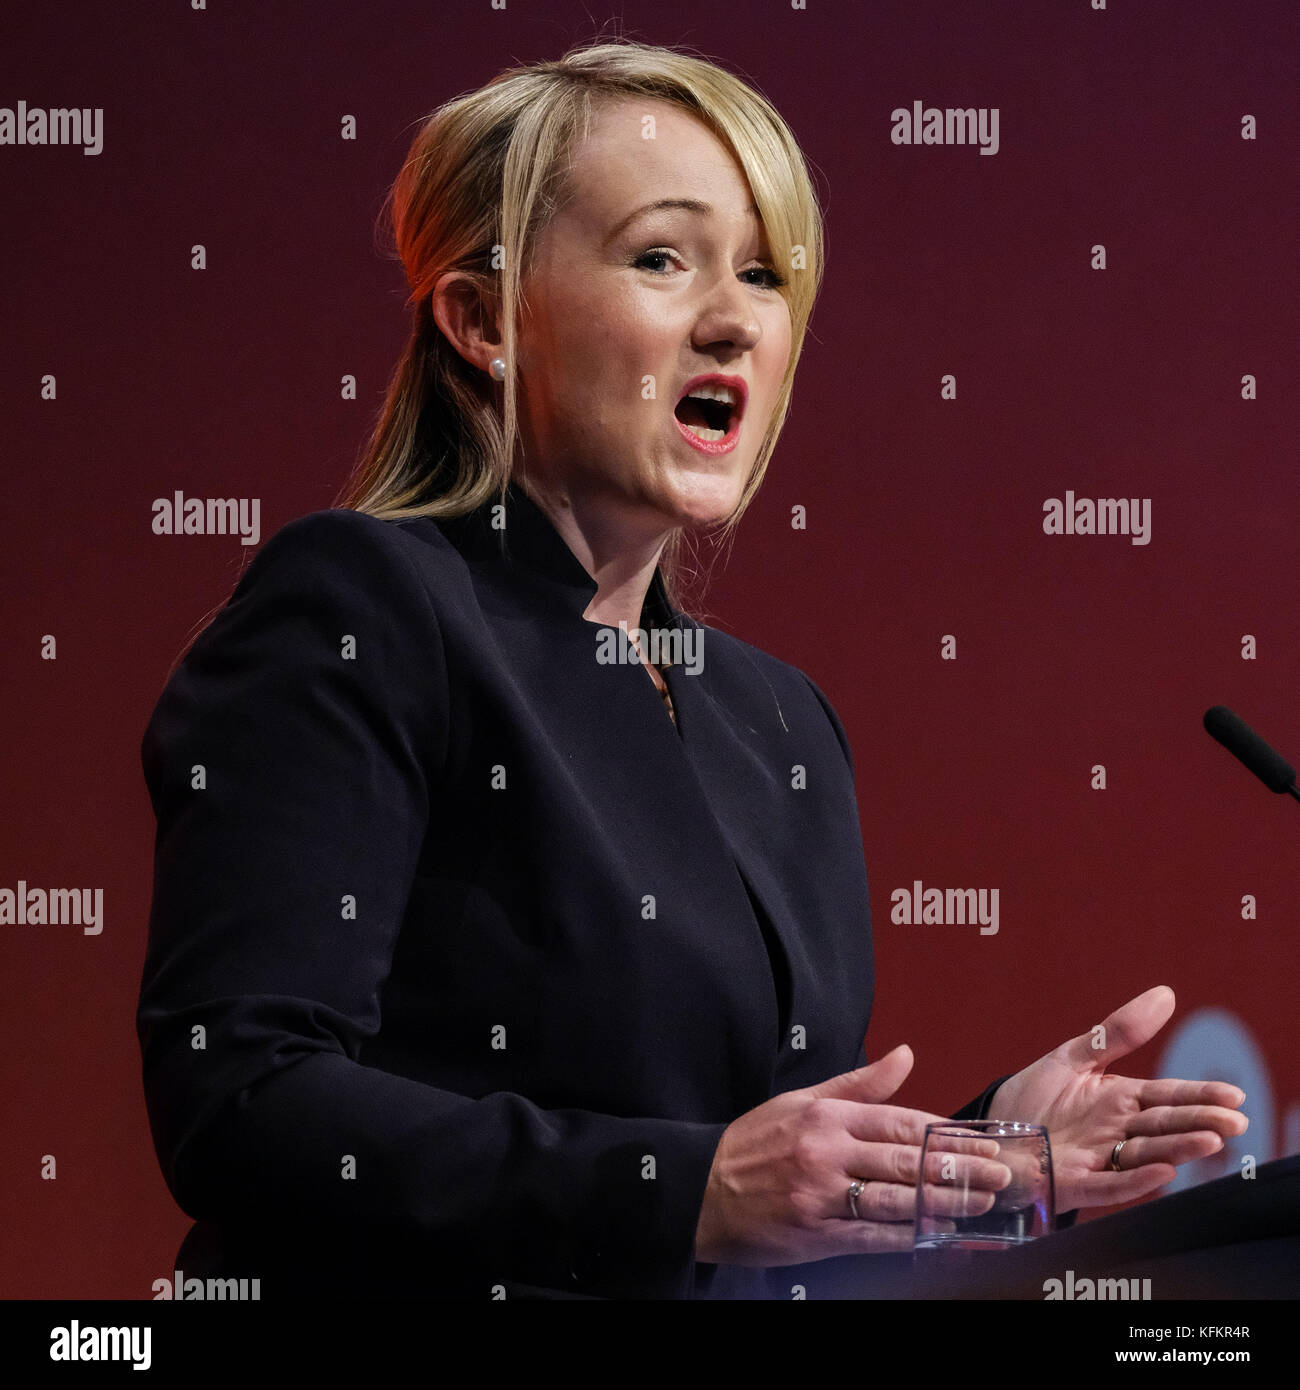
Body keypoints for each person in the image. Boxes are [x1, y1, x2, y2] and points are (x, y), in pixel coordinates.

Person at [136, 38, 1247, 1301]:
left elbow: (742, 1168)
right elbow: (239, 1095)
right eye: (661, 258)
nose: (733, 317)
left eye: (767, 276)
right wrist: (693, 1189)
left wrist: (988, 1158)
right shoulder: (368, 606)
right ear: (481, 321)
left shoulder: (776, 717)